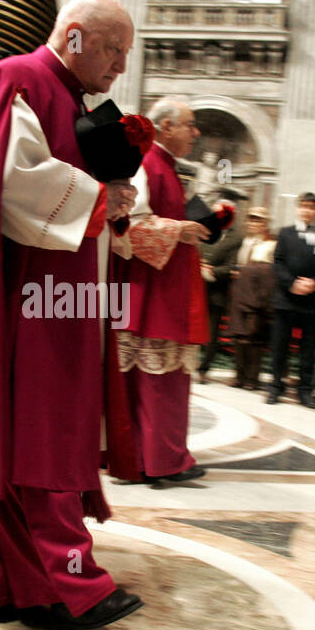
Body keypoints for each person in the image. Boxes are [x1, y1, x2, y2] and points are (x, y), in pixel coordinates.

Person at [0, 0, 144, 630]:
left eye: (125, 51)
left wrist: (116, 203)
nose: (120, 65)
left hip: (62, 292)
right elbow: (17, 182)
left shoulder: (70, 98)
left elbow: (65, 185)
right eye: (112, 48)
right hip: (25, 296)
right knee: (40, 426)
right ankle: (70, 580)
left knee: (24, 423)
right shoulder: (19, 78)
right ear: (73, 36)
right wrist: (101, 198)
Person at [121, 96, 209, 483]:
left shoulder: (168, 168)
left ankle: (155, 455)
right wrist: (178, 229)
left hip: (166, 287)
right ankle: (155, 460)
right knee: (155, 381)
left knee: (165, 379)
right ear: (166, 126)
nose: (196, 132)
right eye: (189, 124)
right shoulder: (145, 163)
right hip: (150, 291)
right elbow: (126, 225)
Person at [268, 192, 315, 407]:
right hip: (286, 299)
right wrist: (292, 283)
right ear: (298, 208)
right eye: (303, 206)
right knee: (280, 345)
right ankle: (275, 386)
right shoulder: (286, 233)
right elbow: (278, 262)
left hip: (312, 300)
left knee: (309, 348)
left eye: (311, 207)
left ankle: (305, 390)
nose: (307, 210)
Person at [226, 207, 276, 390]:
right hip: (239, 294)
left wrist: (263, 300)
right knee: (239, 337)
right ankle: (239, 374)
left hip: (258, 297)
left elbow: (271, 274)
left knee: (254, 338)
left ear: (265, 223)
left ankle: (252, 378)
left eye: (257, 220)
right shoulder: (243, 242)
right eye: (250, 220)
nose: (252, 223)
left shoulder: (271, 244)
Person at [197, 219, 242, 384]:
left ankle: (203, 368)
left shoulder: (236, 238)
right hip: (196, 289)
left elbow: (232, 266)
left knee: (211, 333)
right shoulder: (203, 230)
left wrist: (211, 271)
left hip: (217, 291)